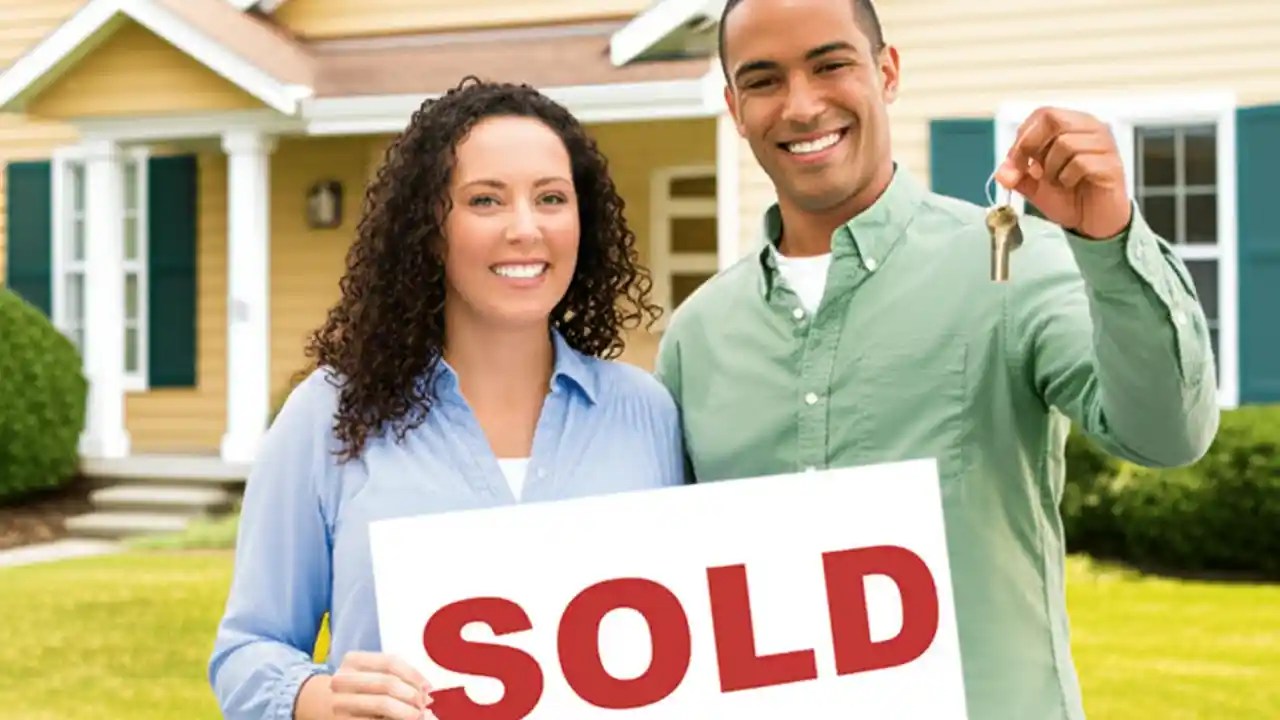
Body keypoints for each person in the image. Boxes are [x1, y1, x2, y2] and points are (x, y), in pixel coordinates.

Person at [654, 0, 1220, 718]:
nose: (801, 106)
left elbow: (1168, 434)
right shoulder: (697, 337)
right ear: (735, 108)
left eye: (830, 65)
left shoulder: (1013, 264)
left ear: (886, 72)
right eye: (764, 81)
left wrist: (1109, 239)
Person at [208, 76, 687, 720]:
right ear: (430, 228)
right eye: (485, 200)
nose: (526, 228)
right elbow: (247, 648)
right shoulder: (328, 416)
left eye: (551, 198)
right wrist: (315, 699)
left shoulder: (646, 413)